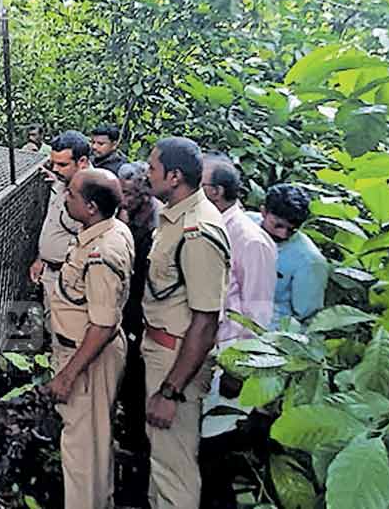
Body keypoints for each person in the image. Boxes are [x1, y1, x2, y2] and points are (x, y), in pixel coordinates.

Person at [142, 137, 231, 509]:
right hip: (162, 348)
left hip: (175, 358)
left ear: (174, 176)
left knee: (174, 469)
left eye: (152, 168)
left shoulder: (198, 231)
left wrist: (171, 391)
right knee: (161, 462)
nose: (147, 175)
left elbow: (206, 321)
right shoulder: (174, 217)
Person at [45, 168, 133, 509]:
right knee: (94, 445)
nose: (66, 198)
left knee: (82, 453)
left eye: (71, 195)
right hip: (88, 354)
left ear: (92, 206)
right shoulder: (110, 230)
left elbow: (103, 324)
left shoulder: (102, 253)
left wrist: (68, 375)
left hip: (89, 360)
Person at [198, 155, 277, 507]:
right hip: (204, 353)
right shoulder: (212, 226)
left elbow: (257, 312)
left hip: (226, 362)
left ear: (214, 191)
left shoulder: (250, 240)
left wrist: (237, 371)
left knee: (213, 450)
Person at [113, 160, 161, 504]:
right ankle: (130, 437)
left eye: (127, 193)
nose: (122, 198)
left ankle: (140, 452)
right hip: (129, 309)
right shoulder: (128, 215)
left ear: (144, 193)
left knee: (139, 379)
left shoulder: (156, 223)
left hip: (146, 313)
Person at [29, 132, 89, 321]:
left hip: (71, 281)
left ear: (82, 162)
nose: (55, 169)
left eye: (62, 165)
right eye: (53, 163)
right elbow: (53, 224)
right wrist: (42, 259)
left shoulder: (92, 194)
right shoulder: (63, 182)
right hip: (50, 273)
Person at [256, 184, 329, 323]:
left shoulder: (310, 260)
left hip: (272, 328)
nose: (283, 234)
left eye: (292, 230)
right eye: (278, 225)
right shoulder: (244, 225)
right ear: (263, 212)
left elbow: (307, 314)